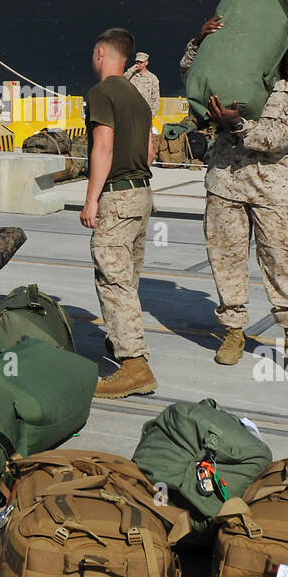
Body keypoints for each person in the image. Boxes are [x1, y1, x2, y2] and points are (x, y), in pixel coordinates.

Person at [180, 15, 288, 375]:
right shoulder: (248, 69)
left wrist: (237, 124)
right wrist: (200, 42)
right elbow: (193, 74)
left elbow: (278, 137)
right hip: (225, 181)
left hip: (272, 188)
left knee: (280, 261)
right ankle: (233, 331)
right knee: (225, 259)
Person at [81, 27, 156, 399]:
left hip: (117, 196)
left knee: (114, 280)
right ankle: (122, 342)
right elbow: (150, 152)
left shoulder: (101, 93)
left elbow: (103, 148)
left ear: (100, 53)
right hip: (142, 194)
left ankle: (134, 365)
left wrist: (92, 199)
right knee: (128, 278)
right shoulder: (138, 97)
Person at [125, 51, 160, 116]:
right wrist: (131, 70)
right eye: (137, 62)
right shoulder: (131, 75)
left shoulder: (152, 78)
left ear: (146, 63)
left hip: (145, 111)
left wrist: (153, 113)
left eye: (141, 62)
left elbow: (156, 97)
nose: (139, 64)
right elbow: (122, 80)